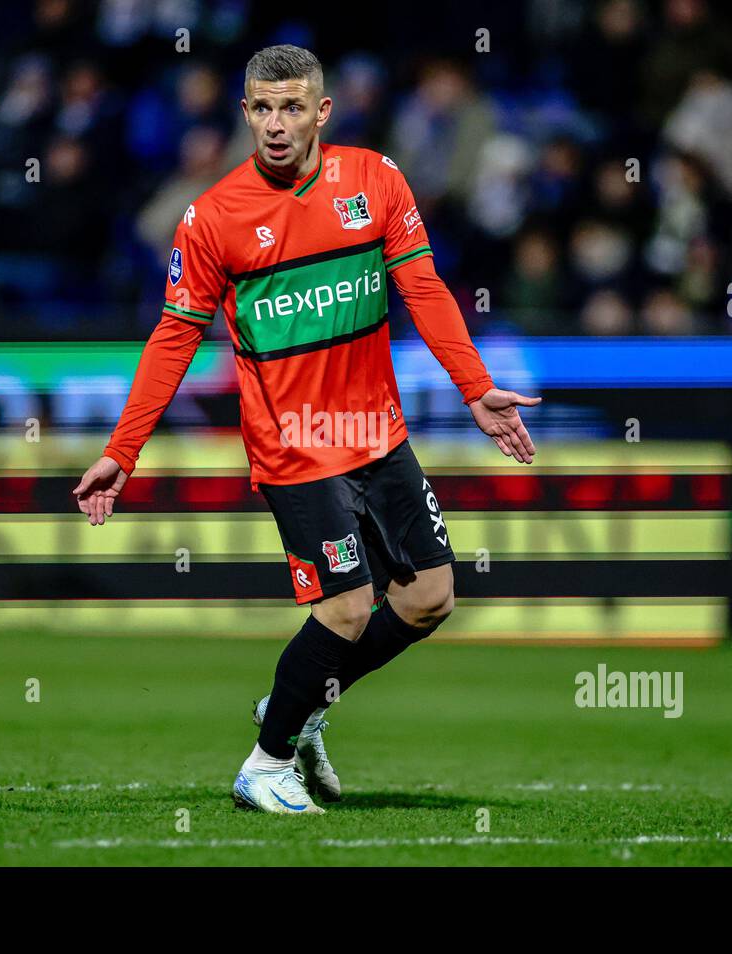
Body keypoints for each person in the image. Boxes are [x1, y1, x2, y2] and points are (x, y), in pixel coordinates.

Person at [73, 45, 539, 814]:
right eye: (262, 107)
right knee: (349, 607)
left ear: (323, 111)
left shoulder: (375, 180)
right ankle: (264, 764)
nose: (277, 124)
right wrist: (122, 452)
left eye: (293, 107)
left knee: (429, 597)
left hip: (379, 433)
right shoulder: (214, 216)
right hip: (295, 443)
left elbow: (422, 285)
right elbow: (173, 338)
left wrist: (475, 388)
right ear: (246, 112)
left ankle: (302, 703)